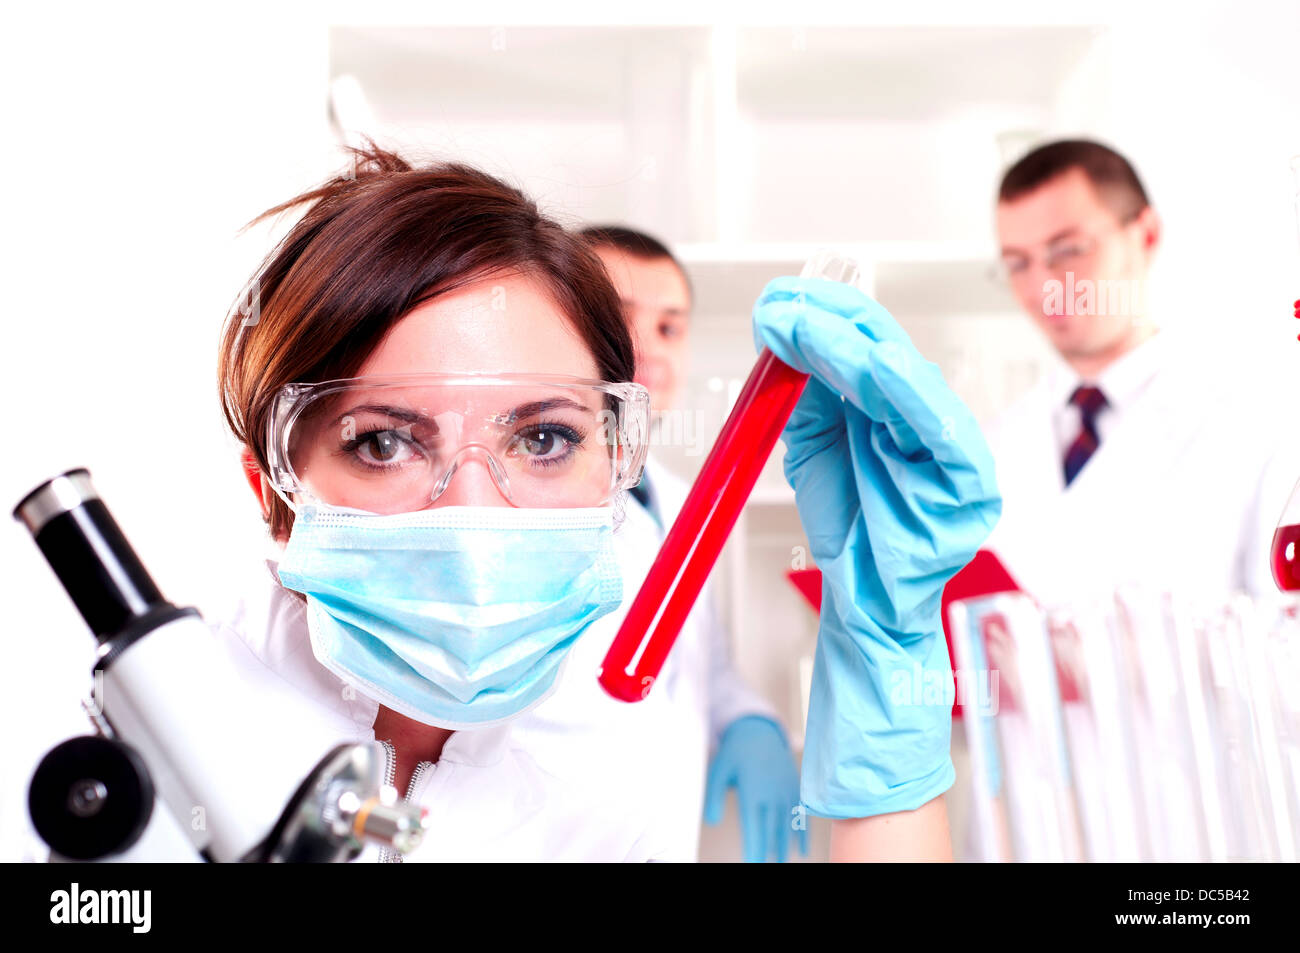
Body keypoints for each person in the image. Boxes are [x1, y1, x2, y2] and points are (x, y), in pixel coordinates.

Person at [219, 144, 999, 861]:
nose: (477, 517)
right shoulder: (156, 741)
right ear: (272, 490)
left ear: (613, 455)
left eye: (544, 438)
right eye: (383, 443)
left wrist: (884, 699)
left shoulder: (607, 770)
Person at [560, 224, 802, 863]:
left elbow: (697, 658)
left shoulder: (683, 497)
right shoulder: (519, 497)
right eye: (619, 318)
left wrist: (749, 718)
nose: (650, 349)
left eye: (670, 327)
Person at [984, 139, 1297, 607]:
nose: (1044, 285)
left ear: (1145, 234)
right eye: (1017, 263)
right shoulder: (994, 443)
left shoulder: (1262, 422)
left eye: (1068, 250)